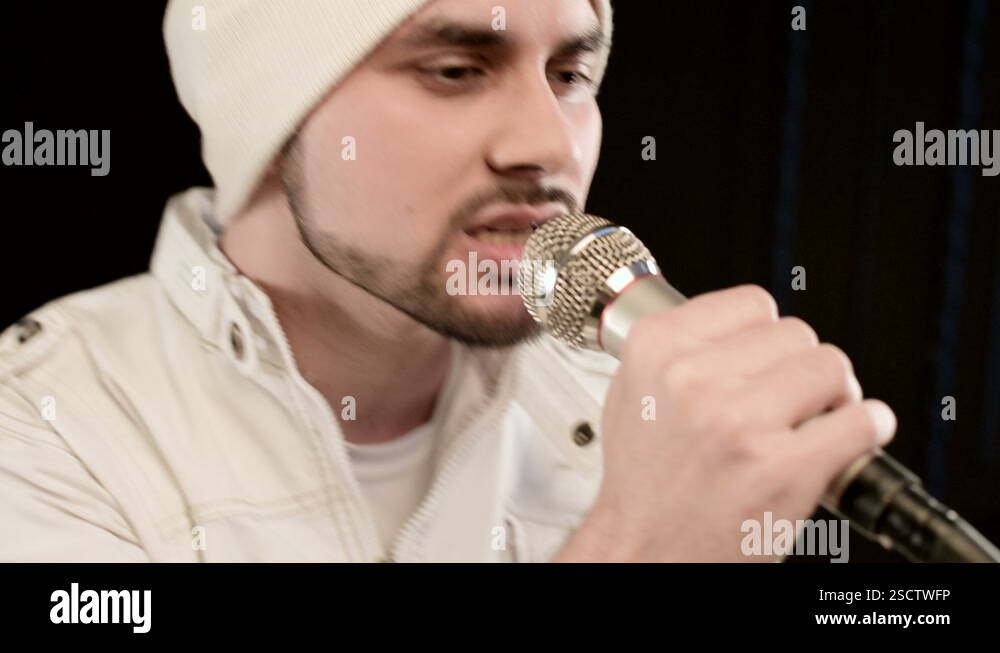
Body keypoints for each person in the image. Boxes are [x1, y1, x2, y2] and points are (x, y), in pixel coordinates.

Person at [0, 0, 895, 562]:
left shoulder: (655, 420)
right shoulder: (45, 431)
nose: (547, 145)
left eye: (571, 75)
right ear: (269, 115)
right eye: (457, 70)